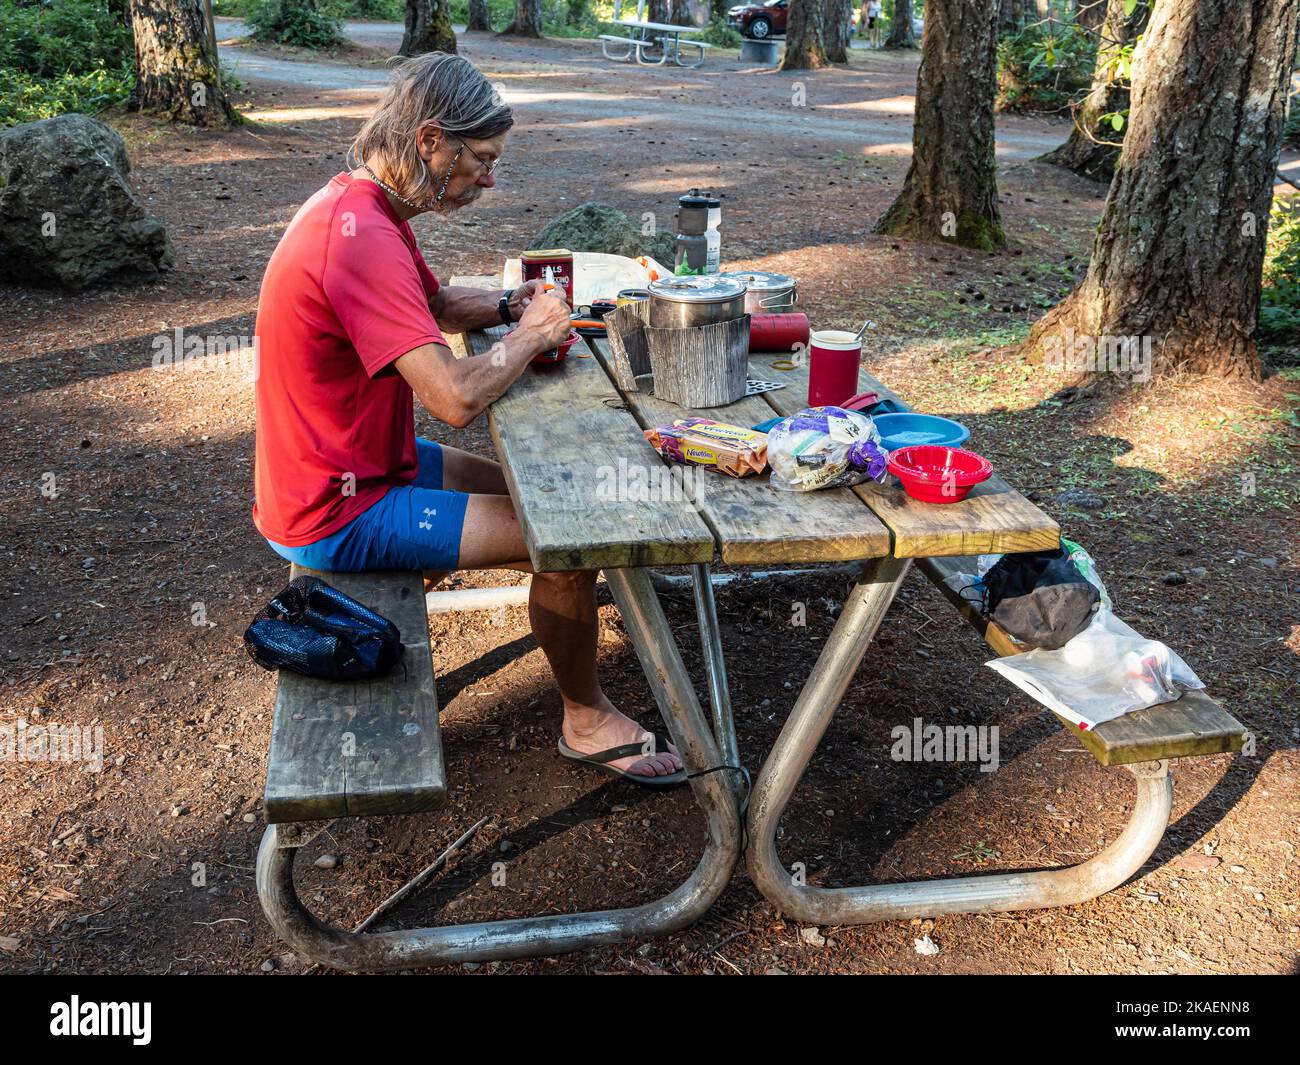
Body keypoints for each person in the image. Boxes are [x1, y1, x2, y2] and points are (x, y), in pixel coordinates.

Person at [251, 53, 685, 788]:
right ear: (430, 140)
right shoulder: (357, 240)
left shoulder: (364, 207)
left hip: (362, 461)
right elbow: (453, 397)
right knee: (568, 537)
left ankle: (582, 626)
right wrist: (533, 336)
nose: (489, 178)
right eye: (480, 159)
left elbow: (439, 306)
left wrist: (512, 304)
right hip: (338, 507)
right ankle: (586, 721)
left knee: (550, 496)